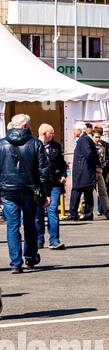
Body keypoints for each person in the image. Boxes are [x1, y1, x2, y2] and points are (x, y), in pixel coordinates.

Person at [2, 114, 50, 274]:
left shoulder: (2, 144)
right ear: (23, 127)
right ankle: (30, 258)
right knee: (30, 224)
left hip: (8, 190)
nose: (31, 126)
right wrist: (45, 192)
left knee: (12, 226)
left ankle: (16, 263)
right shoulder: (35, 144)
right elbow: (43, 169)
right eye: (29, 124)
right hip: (30, 190)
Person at [35, 123, 66, 250]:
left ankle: (54, 240)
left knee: (52, 210)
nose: (53, 135)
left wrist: (63, 174)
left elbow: (62, 163)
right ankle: (38, 239)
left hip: (54, 183)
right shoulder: (33, 145)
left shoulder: (56, 146)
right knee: (38, 212)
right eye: (51, 133)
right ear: (44, 134)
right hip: (38, 185)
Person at [69, 122, 99, 221]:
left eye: (74, 130)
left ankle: (74, 214)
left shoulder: (83, 140)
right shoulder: (86, 139)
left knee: (77, 192)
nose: (73, 131)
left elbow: (89, 154)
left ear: (79, 130)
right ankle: (88, 214)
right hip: (86, 171)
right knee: (87, 193)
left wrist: (91, 165)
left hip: (83, 171)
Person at [92, 126, 109, 219]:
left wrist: (104, 163)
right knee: (86, 193)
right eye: (96, 137)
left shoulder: (102, 146)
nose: (98, 139)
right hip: (91, 171)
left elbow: (105, 156)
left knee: (103, 191)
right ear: (92, 137)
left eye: (99, 137)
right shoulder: (89, 145)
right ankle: (82, 212)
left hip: (100, 171)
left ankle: (108, 212)